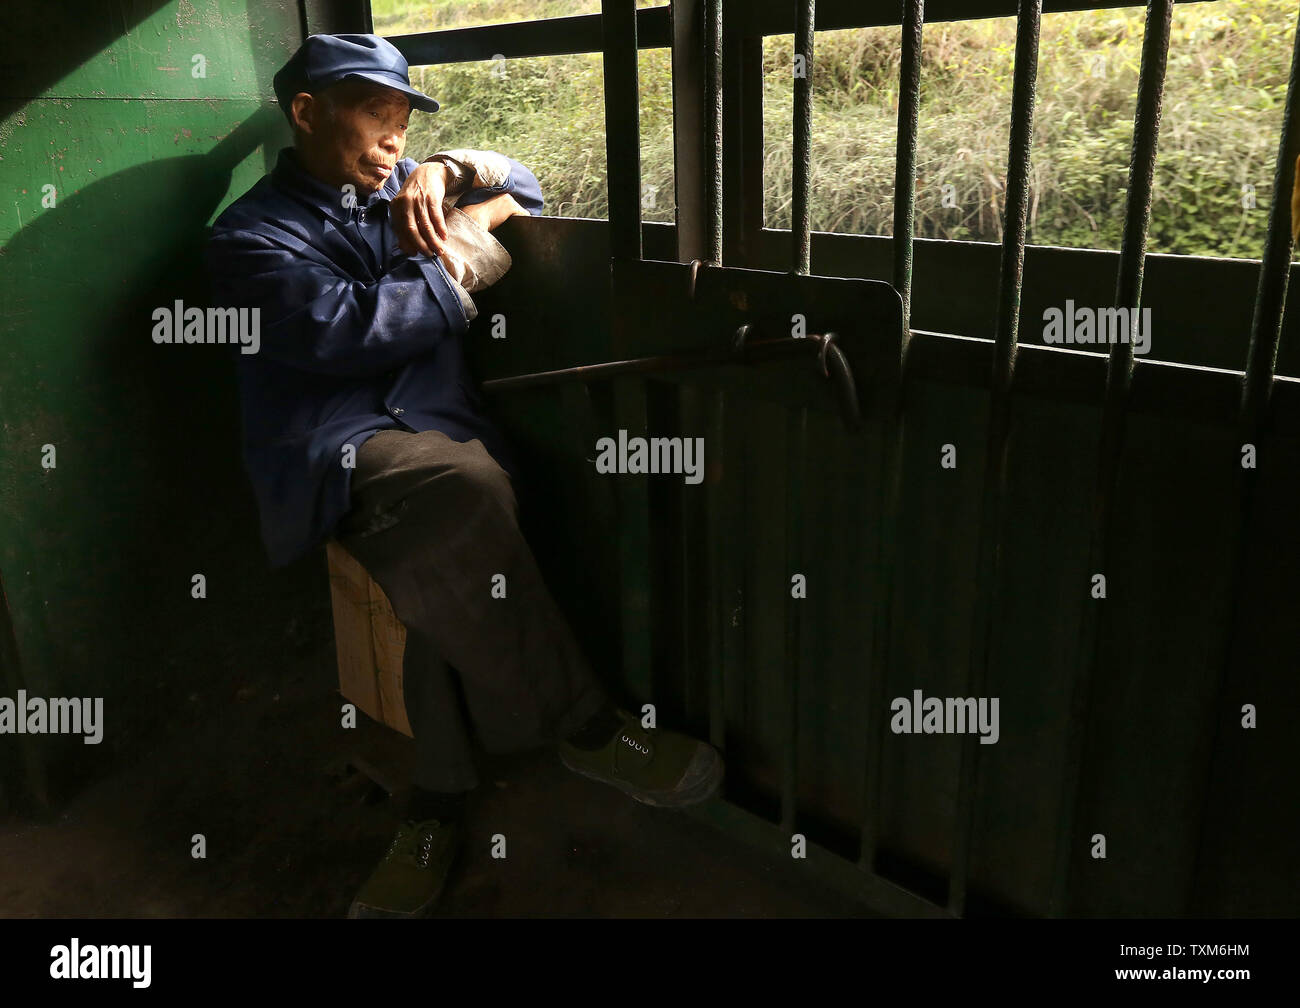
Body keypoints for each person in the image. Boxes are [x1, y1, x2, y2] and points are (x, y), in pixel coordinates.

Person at [205, 33, 724, 918]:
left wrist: (450, 175)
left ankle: (436, 803)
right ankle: (586, 728)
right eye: (377, 116)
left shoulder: (401, 195)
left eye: (406, 121)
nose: (394, 138)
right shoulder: (247, 236)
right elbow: (341, 335)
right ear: (305, 113)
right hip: (340, 446)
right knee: (461, 496)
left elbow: (524, 185)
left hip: (441, 433)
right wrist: (470, 253)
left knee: (442, 555)